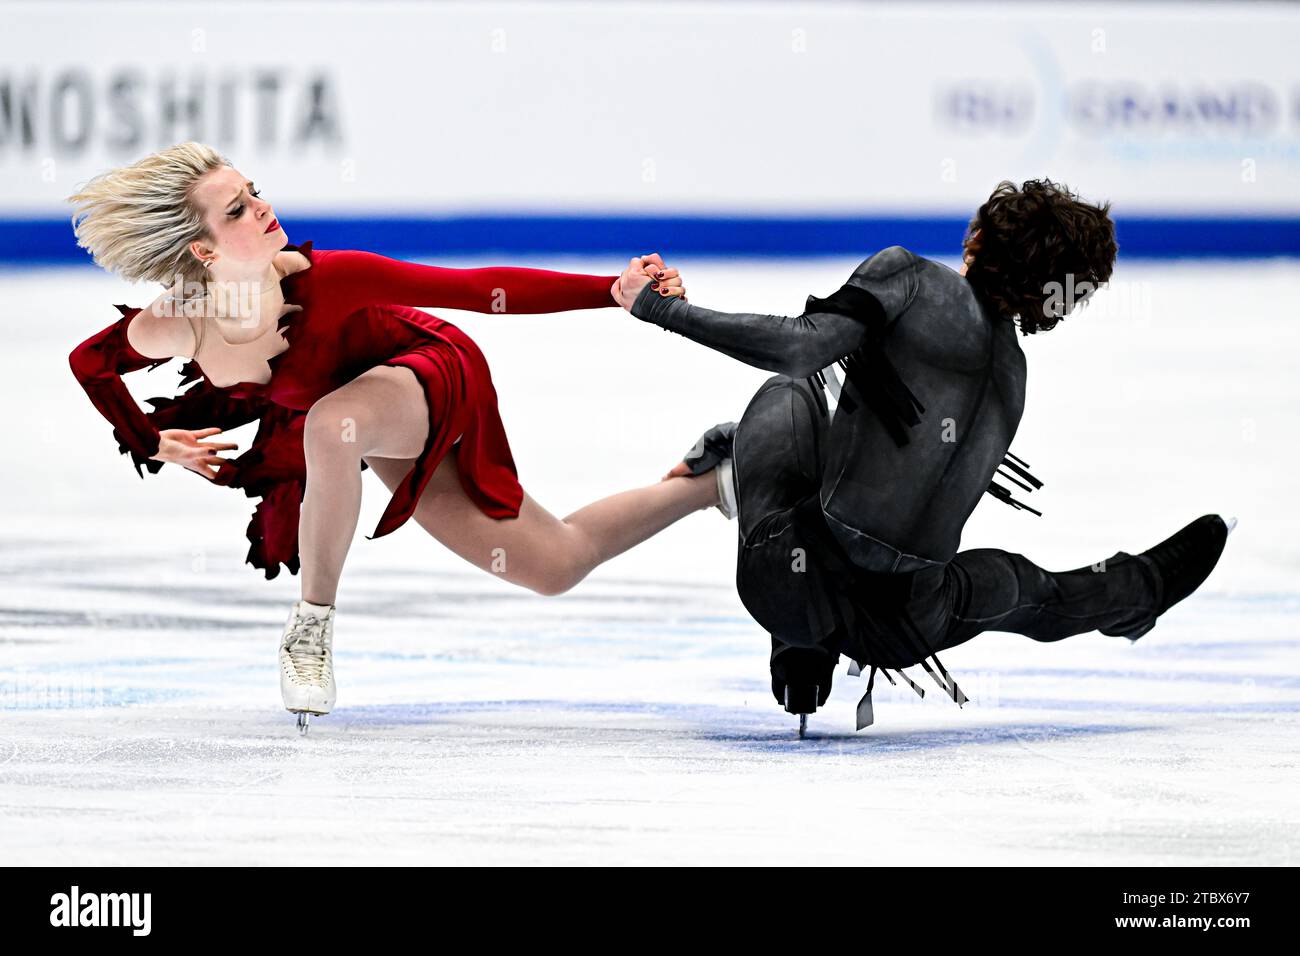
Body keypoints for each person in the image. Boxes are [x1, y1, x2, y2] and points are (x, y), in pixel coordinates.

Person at [66, 142, 728, 733]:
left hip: (426, 370)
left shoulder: (332, 279)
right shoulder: (179, 322)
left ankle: (309, 631)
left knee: (327, 426)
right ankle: (711, 479)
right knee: (554, 564)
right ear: (203, 251)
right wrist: (150, 439)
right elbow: (90, 363)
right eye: (237, 210)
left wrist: (611, 291)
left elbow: (474, 289)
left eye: (255, 191)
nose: (263, 208)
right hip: (364, 419)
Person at [612, 179, 1234, 733]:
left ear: (979, 239)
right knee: (1019, 585)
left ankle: (798, 646)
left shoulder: (907, 276)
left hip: (789, 582)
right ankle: (1137, 594)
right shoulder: (1011, 377)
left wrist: (661, 308)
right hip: (907, 625)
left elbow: (799, 351)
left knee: (791, 388)